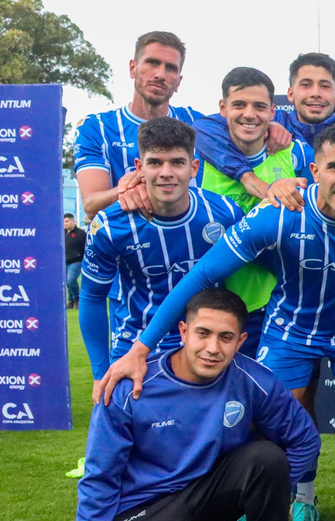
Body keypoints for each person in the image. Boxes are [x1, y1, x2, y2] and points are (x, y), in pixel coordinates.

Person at [97, 125, 335, 521]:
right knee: (271, 422)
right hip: (290, 331)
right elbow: (201, 275)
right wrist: (141, 348)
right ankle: (286, 508)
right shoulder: (279, 212)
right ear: (314, 171)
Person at [75, 288, 321, 521]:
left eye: (226, 337)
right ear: (183, 332)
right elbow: (100, 476)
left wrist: (272, 489)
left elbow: (305, 440)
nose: (212, 348)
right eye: (203, 333)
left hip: (208, 497)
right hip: (146, 506)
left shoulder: (255, 381)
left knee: (267, 459)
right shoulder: (129, 388)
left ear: (240, 341)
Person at [79, 118, 242, 387]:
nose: (166, 172)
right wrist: (99, 372)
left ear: (194, 167)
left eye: (177, 162)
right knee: (116, 410)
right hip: (134, 344)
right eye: (155, 162)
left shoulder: (224, 213)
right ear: (139, 168)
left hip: (206, 347)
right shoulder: (110, 225)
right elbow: (92, 296)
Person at [196, 67, 313, 359]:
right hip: (211, 308)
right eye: (239, 105)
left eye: (259, 106)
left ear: (273, 111)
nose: (249, 114)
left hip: (280, 307)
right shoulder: (197, 163)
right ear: (222, 108)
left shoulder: (295, 154)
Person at [192, 52, 335, 203]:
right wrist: (248, 177)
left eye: (324, 86)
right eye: (306, 85)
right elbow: (201, 128)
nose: (315, 93)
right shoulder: (278, 119)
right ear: (290, 94)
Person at [74, 31, 206, 217]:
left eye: (170, 68)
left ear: (178, 81)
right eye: (152, 63)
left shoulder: (198, 124)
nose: (160, 74)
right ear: (133, 68)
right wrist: (127, 192)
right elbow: (91, 205)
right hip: (125, 233)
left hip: (192, 234)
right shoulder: (97, 128)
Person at [65, 213, 86, 309]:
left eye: (67, 221)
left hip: (76, 261)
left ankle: (77, 299)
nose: (65, 224)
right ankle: (71, 300)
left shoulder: (81, 234)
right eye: (64, 222)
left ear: (73, 221)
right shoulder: (62, 234)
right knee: (67, 282)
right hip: (64, 262)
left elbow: (86, 247)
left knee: (71, 280)